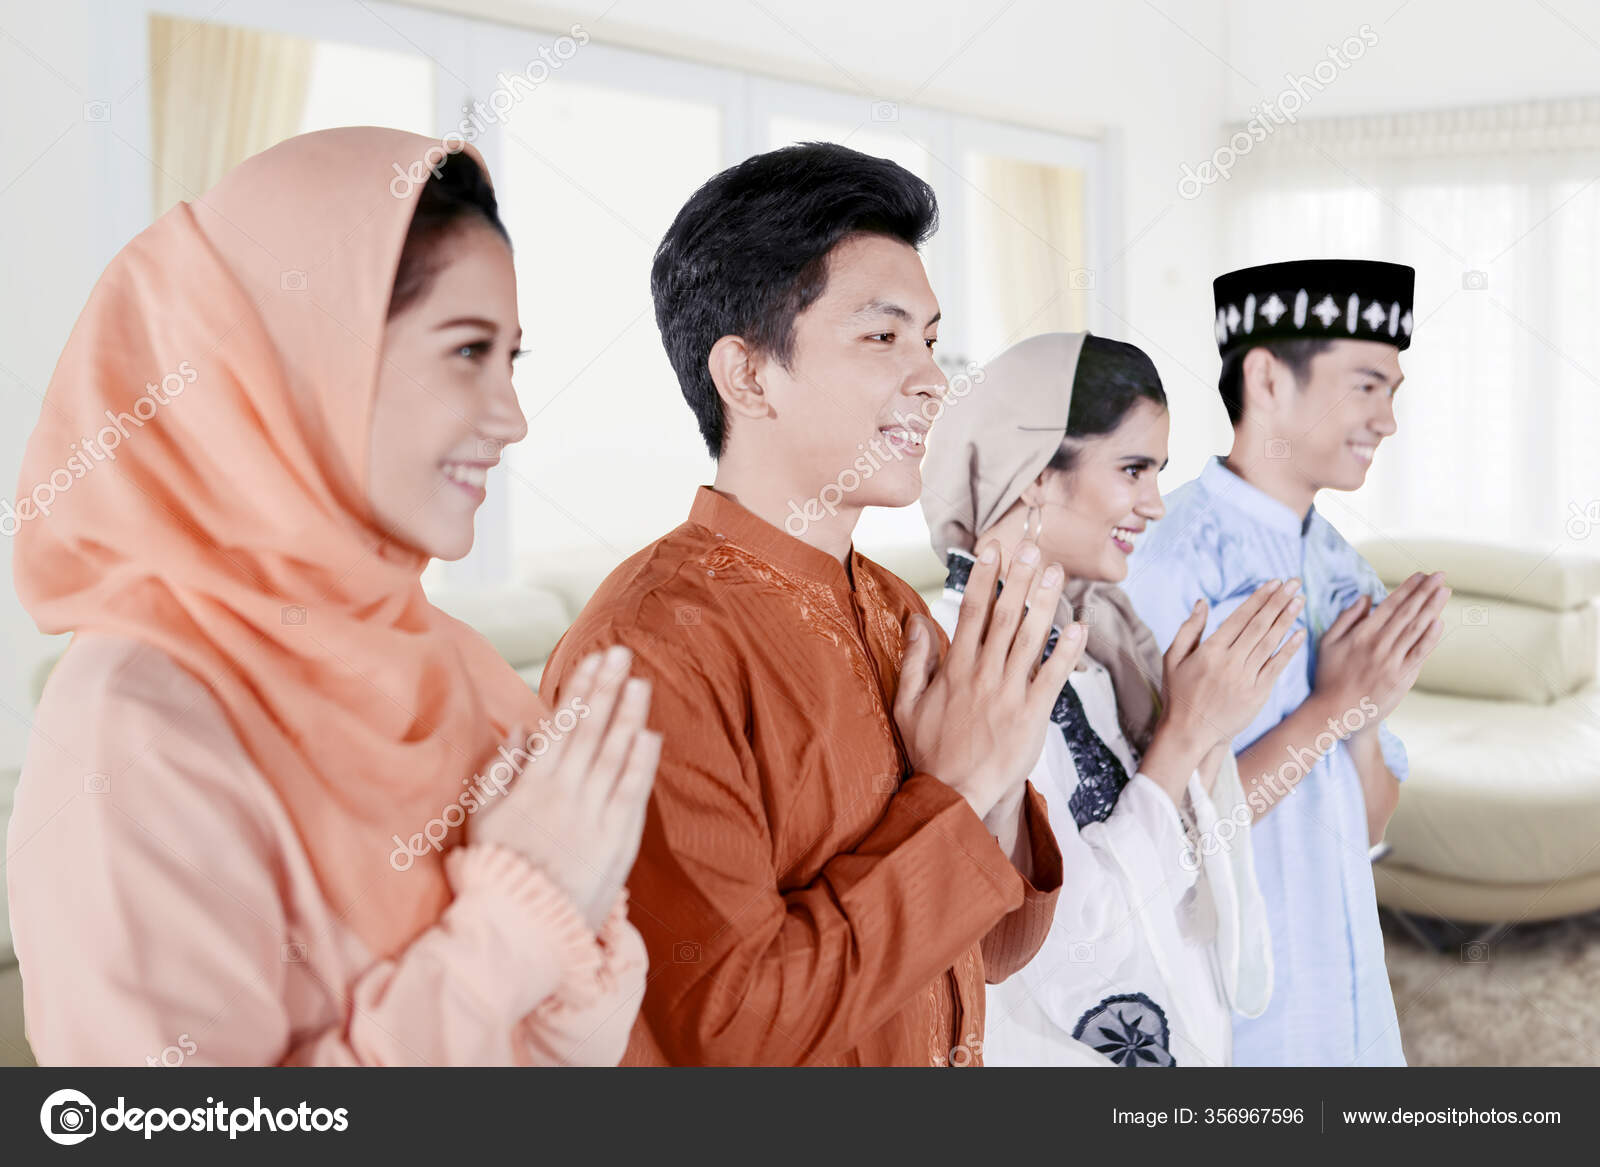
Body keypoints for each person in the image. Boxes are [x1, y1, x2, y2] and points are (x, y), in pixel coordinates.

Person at [6, 128, 657, 1066]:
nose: (513, 417)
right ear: (296, 362)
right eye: (468, 350)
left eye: (513, 358)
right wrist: (517, 921)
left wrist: (564, 914)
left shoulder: (455, 666)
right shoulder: (136, 727)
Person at [540, 142, 1077, 1067]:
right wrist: (952, 796)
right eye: (882, 336)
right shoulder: (646, 652)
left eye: (930, 339)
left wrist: (988, 788)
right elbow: (727, 1031)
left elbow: (996, 948)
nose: (931, 378)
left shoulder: (895, 609)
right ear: (748, 376)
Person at [921, 331, 1293, 1067]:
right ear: (1033, 471)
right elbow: (1065, 941)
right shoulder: (969, 660)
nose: (1154, 504)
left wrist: (1202, 724)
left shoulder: (1093, 639)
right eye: (1132, 469)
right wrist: (1184, 736)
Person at [1122, 259, 1449, 1066]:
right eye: (1367, 385)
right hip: (1243, 1021)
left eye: (1393, 392)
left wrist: (1365, 723)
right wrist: (1332, 707)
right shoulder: (1162, 563)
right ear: (1267, 377)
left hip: (1355, 1004)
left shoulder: (1344, 568)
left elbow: (1370, 823)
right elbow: (1169, 839)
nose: (1388, 420)